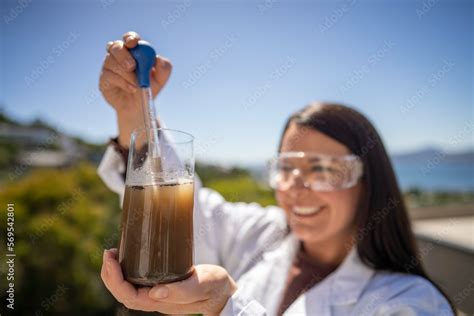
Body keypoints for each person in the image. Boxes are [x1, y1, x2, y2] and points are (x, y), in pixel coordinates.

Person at [98, 31, 454, 315]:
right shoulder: (267, 236)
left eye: (324, 170)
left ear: (368, 180)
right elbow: (182, 210)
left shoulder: (409, 302)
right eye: (286, 167)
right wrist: (135, 111)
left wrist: (227, 306)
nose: (296, 188)